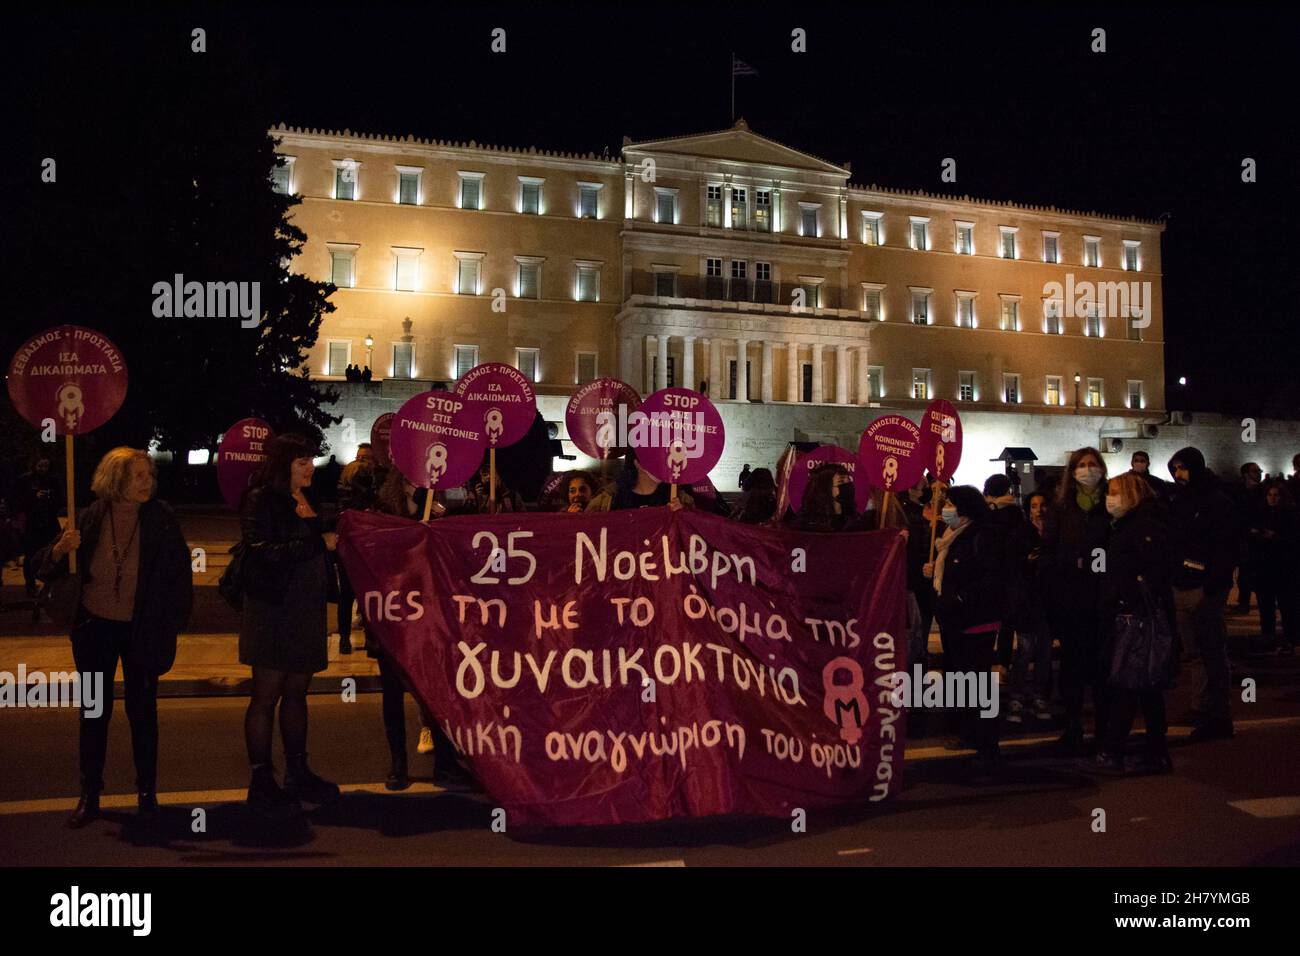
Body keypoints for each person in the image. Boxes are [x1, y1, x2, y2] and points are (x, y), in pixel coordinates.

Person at [36, 448, 192, 828]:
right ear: (115, 478)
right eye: (138, 475)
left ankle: (146, 793)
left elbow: (180, 578)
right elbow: (43, 566)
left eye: (148, 475)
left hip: (141, 631)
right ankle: (90, 794)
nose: (147, 482)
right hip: (94, 630)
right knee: (93, 712)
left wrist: (170, 623)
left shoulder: (161, 520)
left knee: (143, 713)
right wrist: (60, 549)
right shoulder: (89, 517)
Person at [238, 433, 341, 820]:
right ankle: (261, 780)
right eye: (301, 462)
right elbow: (261, 552)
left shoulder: (305, 499)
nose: (310, 467)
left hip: (304, 610)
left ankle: (298, 771)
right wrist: (319, 545)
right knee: (266, 695)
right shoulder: (261, 498)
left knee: (298, 691)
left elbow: (319, 534)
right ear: (283, 465)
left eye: (311, 460)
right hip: (272, 609)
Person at [368, 468, 471, 790]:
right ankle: (397, 764)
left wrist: (439, 522)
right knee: (393, 693)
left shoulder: (437, 502)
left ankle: (444, 761)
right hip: (393, 616)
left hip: (428, 615)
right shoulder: (384, 509)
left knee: (433, 692)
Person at [1092, 472, 1176, 775]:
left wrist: (1125, 599)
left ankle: (1113, 750)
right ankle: (1157, 750)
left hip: (1136, 618)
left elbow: (1151, 572)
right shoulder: (1129, 526)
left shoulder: (1141, 527)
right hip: (1134, 615)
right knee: (1145, 685)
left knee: (1127, 684)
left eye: (1114, 493)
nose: (1109, 500)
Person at [922, 485, 1004, 773]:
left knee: (978, 683)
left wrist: (959, 596)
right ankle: (969, 733)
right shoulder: (951, 537)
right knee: (962, 680)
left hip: (975, 621)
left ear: (966, 507)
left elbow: (991, 577)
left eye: (951, 504)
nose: (946, 508)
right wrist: (935, 573)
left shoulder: (982, 535)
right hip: (955, 621)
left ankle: (988, 747)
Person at [1166, 446, 1238, 741]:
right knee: (1194, 652)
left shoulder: (1216, 501)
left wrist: (1213, 585)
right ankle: (1201, 705)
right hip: (1181, 583)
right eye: (1175, 470)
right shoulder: (1179, 500)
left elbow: (1226, 547)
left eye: (1183, 468)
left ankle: (1219, 715)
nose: (1179, 475)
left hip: (1204, 586)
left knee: (1212, 653)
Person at [1043, 447, 1112, 754]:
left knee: (1102, 669)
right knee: (1071, 669)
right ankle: (1073, 726)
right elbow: (1050, 549)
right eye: (1081, 465)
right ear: (1072, 472)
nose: (1087, 470)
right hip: (1070, 600)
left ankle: (1104, 730)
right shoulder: (1062, 507)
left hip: (1102, 599)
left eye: (1092, 464)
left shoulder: (1111, 503)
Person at [1007, 492, 1054, 723]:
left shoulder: (1055, 533)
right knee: (1025, 649)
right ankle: (1017, 694)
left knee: (1044, 650)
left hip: (1048, 600)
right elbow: (1017, 566)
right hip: (1026, 600)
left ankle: (1039, 694)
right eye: (1034, 505)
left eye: (1043, 505)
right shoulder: (1021, 534)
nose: (1039, 510)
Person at [983, 474, 1030, 676]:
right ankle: (1004, 665)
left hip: (993, 576)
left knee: (989, 621)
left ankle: (984, 664)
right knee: (1007, 624)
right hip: (1013, 576)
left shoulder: (988, 515)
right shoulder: (1017, 514)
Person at [334, 444, 377, 654]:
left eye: (367, 458)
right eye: (360, 457)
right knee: (351, 593)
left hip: (363, 544)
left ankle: (365, 637)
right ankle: (347, 638)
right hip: (353, 544)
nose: (362, 461)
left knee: (363, 594)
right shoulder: (355, 479)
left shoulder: (364, 479)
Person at [1248, 480, 1297, 655]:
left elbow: (1293, 540)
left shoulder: (1290, 515)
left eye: (1276, 495)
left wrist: (1276, 537)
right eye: (1270, 495)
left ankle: (1289, 639)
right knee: (1266, 605)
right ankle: (1268, 636)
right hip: (1265, 567)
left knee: (1287, 606)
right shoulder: (1261, 513)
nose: (1272, 498)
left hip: (1284, 567)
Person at [11, 454, 63, 600]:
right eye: (40, 466)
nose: (43, 469)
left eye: (46, 466)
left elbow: (60, 500)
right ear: (34, 465)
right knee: (30, 555)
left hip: (49, 522)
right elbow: (18, 501)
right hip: (32, 524)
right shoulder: (24, 480)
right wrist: (34, 497)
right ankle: (30, 586)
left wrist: (50, 498)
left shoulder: (53, 480)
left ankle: (50, 585)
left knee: (53, 553)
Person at [587, 450, 692, 511]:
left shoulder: (679, 498)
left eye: (664, 459)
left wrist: (683, 515)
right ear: (637, 463)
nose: (662, 466)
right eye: (654, 460)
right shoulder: (607, 500)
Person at [1229, 462, 1264, 612]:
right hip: (1242, 537)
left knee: (1254, 571)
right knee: (1243, 571)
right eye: (1255, 471)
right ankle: (1243, 602)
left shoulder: (1264, 492)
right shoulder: (1236, 493)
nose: (1258, 473)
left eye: (1259, 471)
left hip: (1259, 538)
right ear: (1245, 475)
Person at [791, 464, 862, 532]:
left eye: (849, 480)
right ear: (825, 488)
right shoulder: (807, 524)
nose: (848, 485)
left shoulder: (856, 520)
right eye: (841, 481)